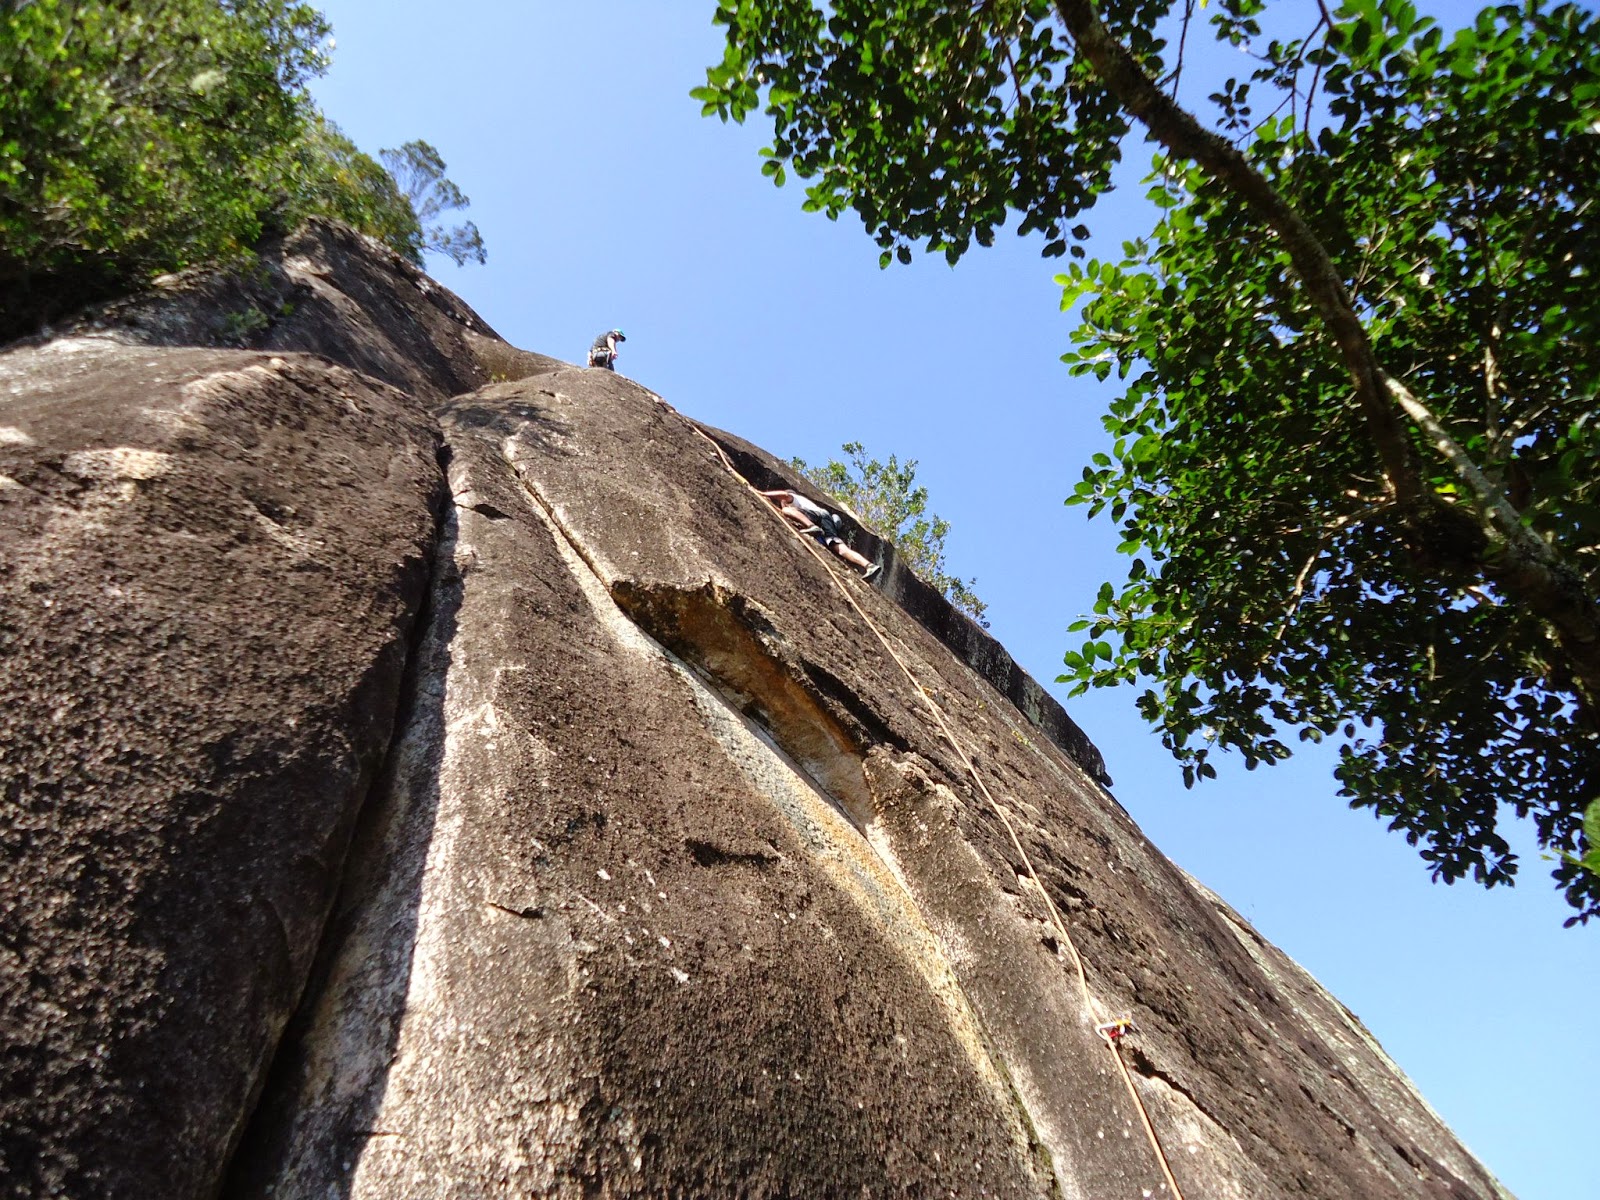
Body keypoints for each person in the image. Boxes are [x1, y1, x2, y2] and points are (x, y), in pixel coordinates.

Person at [760, 489, 880, 580]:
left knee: (787, 511)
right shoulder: (805, 505)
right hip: (825, 519)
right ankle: (869, 566)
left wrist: (763, 494)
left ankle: (811, 527)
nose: (782, 505)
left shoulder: (792, 500)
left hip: (818, 517)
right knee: (840, 549)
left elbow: (785, 495)